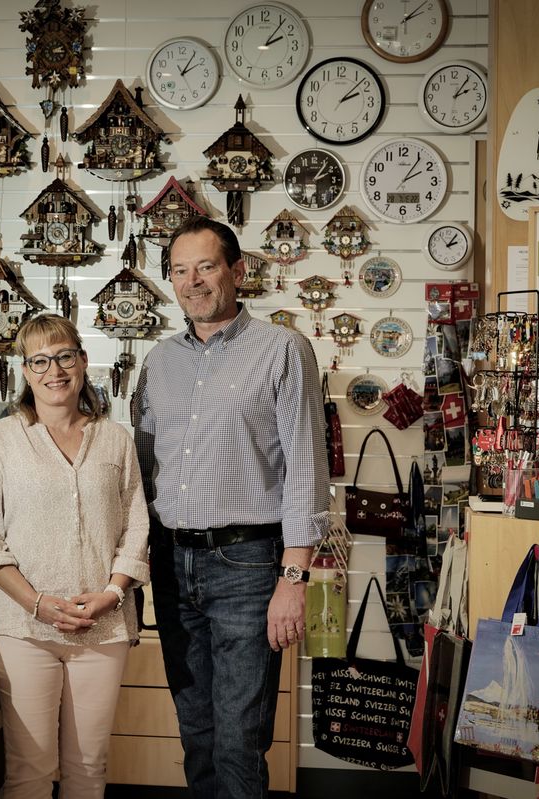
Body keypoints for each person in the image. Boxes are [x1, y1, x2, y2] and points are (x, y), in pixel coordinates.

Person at [132, 216, 329, 797]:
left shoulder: (283, 350)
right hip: (171, 565)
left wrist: (293, 579)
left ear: (238, 272)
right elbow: (141, 471)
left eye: (206, 266)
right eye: (179, 270)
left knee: (239, 740)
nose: (192, 281)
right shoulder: (158, 362)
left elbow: (306, 469)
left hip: (248, 566)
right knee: (196, 732)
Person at [0, 314, 149, 799]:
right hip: (23, 629)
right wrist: (37, 603)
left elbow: (136, 526)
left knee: (89, 766)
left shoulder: (115, 438)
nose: (55, 371)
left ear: (83, 361)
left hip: (102, 627)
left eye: (65, 356)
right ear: (25, 371)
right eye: (40, 361)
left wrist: (113, 594)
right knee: (31, 767)